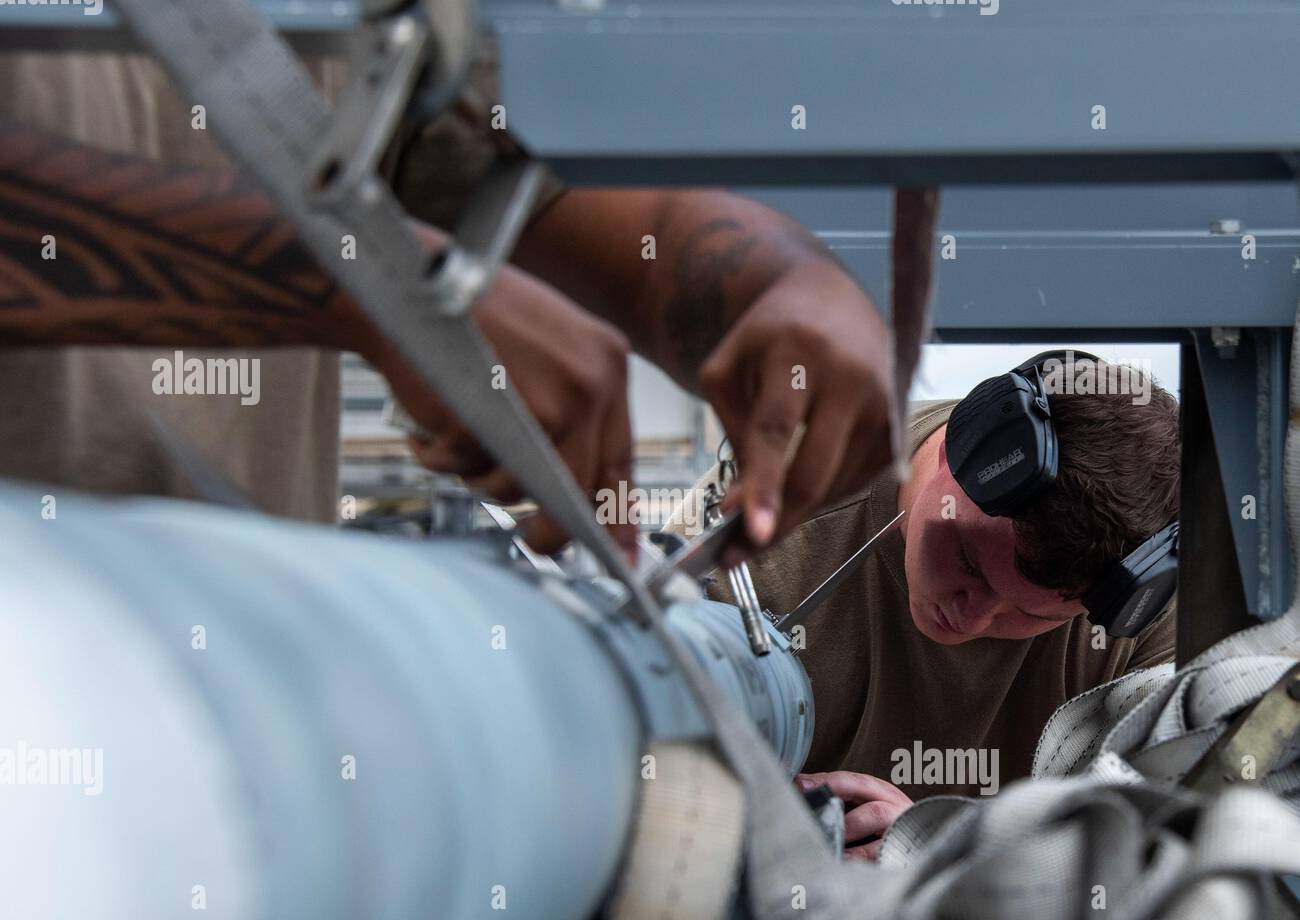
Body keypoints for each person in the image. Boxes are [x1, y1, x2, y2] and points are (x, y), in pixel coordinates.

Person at [0, 36, 897, 560]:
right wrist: (363, 280)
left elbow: (595, 217)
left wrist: (790, 284)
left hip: (223, 692)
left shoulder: (357, 27)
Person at [688, 360, 1180, 857]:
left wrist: (955, 854)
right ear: (956, 447)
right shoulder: (752, 527)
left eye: (1032, 616)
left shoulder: (1143, 603)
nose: (970, 619)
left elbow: (1168, 851)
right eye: (968, 563)